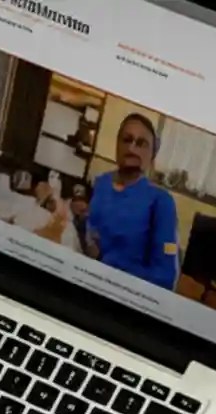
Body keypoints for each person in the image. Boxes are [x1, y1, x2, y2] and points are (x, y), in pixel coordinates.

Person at [86, 113, 179, 290]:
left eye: (141, 143)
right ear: (117, 145)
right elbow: (90, 229)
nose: (131, 148)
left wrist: (105, 261)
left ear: (152, 154)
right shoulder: (101, 182)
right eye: (126, 140)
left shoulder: (161, 202)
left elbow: (165, 278)